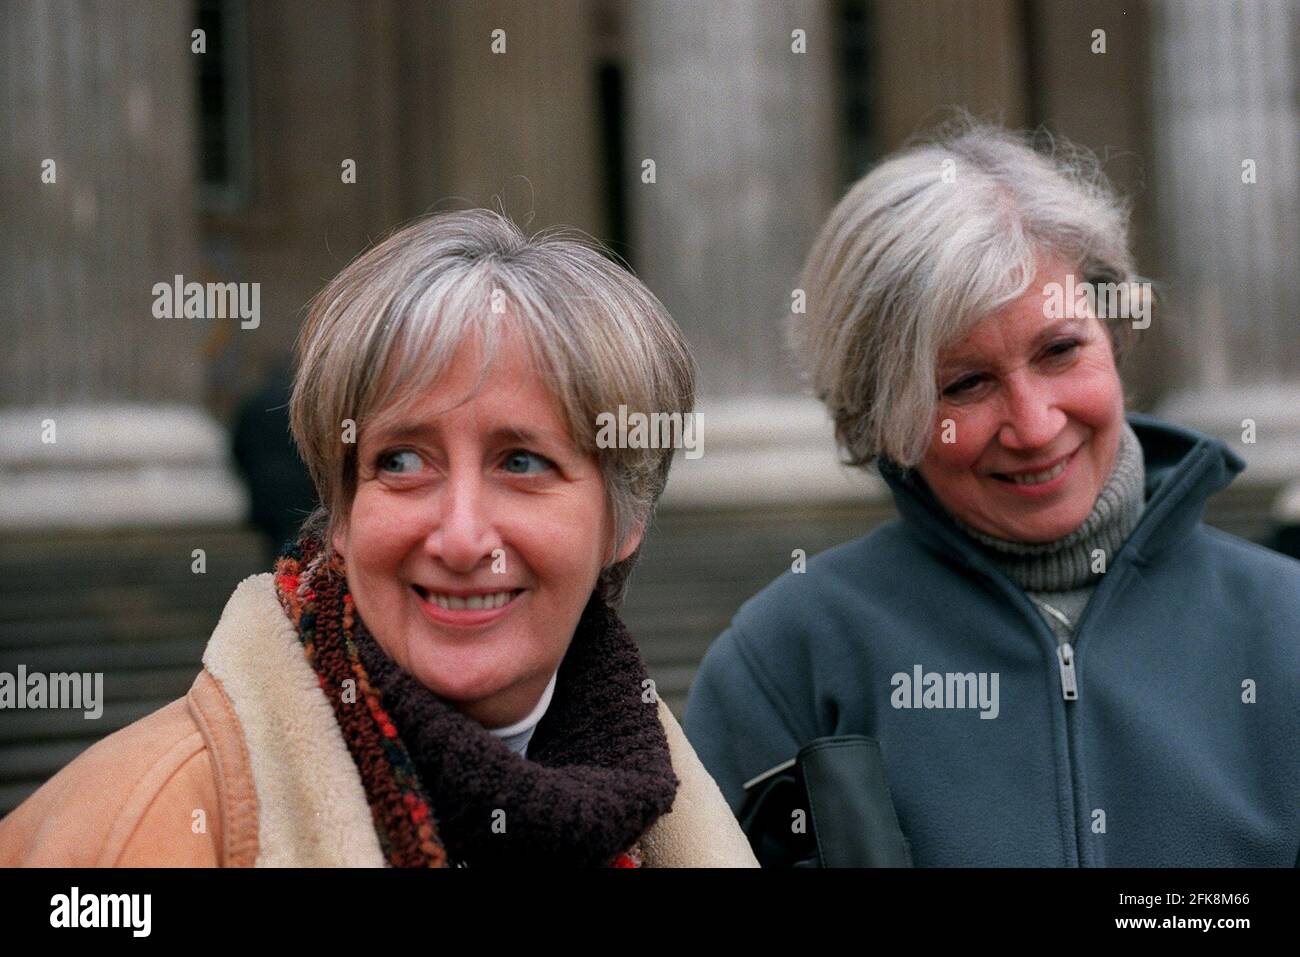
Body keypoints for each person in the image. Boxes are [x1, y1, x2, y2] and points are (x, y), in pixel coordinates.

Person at [0, 210, 757, 868]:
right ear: (342, 513)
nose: (461, 539)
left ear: (625, 520)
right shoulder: (134, 825)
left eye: (522, 462)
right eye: (401, 461)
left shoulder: (666, 814)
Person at [682, 119, 1300, 867]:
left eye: (1060, 349)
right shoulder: (784, 660)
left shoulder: (1285, 624)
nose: (1036, 427)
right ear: (885, 418)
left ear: (1113, 328)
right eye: (965, 384)